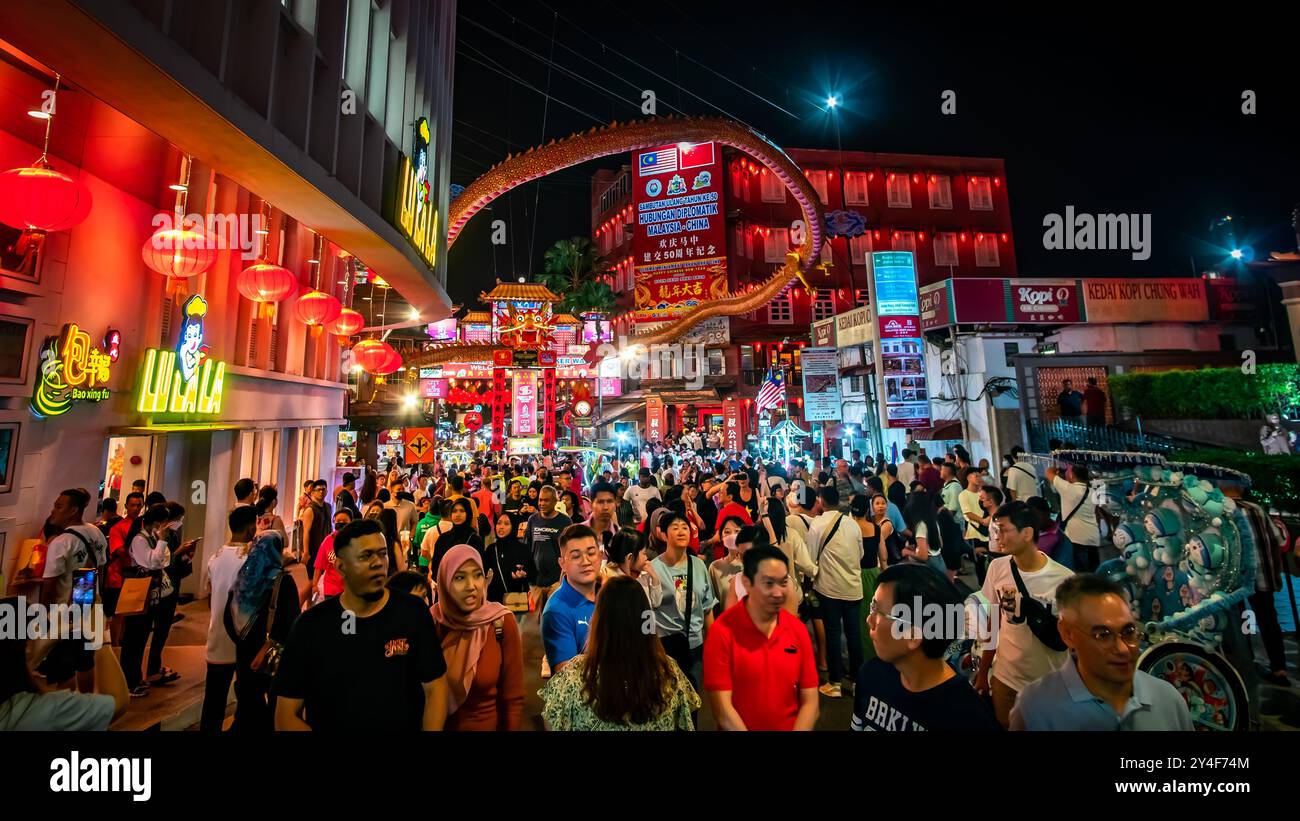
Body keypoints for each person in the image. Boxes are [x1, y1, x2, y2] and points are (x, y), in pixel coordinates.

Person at [274, 519, 450, 730]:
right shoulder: (311, 626)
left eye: (382, 554)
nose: (378, 562)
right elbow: (286, 714)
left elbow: (436, 686)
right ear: (341, 567)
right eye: (366, 556)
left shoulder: (412, 613)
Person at [1012, 574, 1193, 731]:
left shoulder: (1167, 699)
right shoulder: (1035, 709)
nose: (1122, 649)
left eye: (1129, 632)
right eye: (1103, 635)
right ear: (1067, 634)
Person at [853, 564, 1001, 731]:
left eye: (878, 611)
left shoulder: (969, 717)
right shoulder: (871, 675)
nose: (869, 620)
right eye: (872, 606)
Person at [540, 575, 698, 730]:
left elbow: (552, 722)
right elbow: (686, 720)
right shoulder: (669, 672)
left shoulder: (573, 677)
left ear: (599, 621)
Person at [976, 501, 1075, 728]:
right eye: (995, 530)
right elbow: (993, 623)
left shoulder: (1065, 580)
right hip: (1006, 680)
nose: (997, 536)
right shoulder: (997, 568)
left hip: (1050, 685)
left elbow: (1075, 640)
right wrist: (984, 672)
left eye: (1003, 530)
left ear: (1027, 533)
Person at [704, 544, 819, 731]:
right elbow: (722, 711)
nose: (778, 592)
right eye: (768, 583)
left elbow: (810, 702)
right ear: (747, 583)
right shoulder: (722, 632)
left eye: (783, 582)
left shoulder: (796, 630)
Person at [430, 545, 524, 731]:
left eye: (477, 575)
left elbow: (513, 698)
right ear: (445, 581)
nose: (471, 586)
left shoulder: (501, 622)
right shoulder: (432, 623)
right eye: (459, 577)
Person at [222, 530, 300, 732]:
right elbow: (292, 622)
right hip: (271, 655)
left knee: (247, 706)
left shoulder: (242, 579)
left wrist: (242, 642)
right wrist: (270, 644)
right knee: (272, 708)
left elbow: (228, 616)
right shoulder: (282, 581)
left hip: (245, 655)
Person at [1, 609, 129, 730]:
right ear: (25, 646)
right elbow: (118, 703)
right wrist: (100, 638)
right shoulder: (46, 709)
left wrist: (32, 656)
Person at [201, 505, 258, 731]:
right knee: (248, 696)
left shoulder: (215, 557)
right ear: (250, 528)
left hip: (216, 637)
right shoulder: (250, 559)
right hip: (243, 638)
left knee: (214, 699)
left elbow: (209, 595)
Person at [806, 485, 865, 699]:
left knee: (833, 634)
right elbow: (860, 553)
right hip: (853, 587)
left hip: (828, 588)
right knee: (853, 634)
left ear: (821, 501)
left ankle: (835, 682)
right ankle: (859, 681)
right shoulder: (852, 523)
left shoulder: (817, 524)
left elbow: (811, 557)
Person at [651, 511, 716, 690]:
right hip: (664, 649)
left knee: (693, 701)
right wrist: (649, 646)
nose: (681, 532)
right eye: (675, 528)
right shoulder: (653, 569)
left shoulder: (699, 565)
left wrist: (712, 646)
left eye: (685, 527)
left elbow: (707, 608)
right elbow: (646, 613)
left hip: (695, 647)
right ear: (663, 535)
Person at [540, 524, 601, 674]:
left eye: (591, 553)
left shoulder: (610, 595)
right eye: (576, 556)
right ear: (563, 564)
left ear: (599, 556)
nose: (585, 561)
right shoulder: (556, 611)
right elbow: (569, 679)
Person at [1046, 462, 1101, 572]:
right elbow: (1097, 511)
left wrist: (1055, 466)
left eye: (1068, 471)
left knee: (1080, 573)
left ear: (1072, 475)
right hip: (1093, 537)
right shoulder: (1093, 491)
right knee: (1094, 571)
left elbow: (1048, 473)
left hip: (1077, 538)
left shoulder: (1068, 488)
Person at [423, 498, 483, 579]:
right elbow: (436, 566)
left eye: (462, 511)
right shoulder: (443, 538)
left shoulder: (475, 539)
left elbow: (480, 567)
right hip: (447, 585)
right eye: (454, 511)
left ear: (468, 514)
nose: (457, 514)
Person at [600, 529, 662, 608]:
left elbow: (656, 603)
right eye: (644, 553)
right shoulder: (612, 577)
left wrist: (654, 577)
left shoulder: (644, 574)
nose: (646, 557)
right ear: (630, 557)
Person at [485, 513, 534, 606]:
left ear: (513, 527)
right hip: (495, 601)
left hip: (517, 601)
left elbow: (533, 573)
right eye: (499, 523)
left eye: (506, 524)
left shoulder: (522, 549)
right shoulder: (491, 549)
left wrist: (524, 574)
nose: (501, 527)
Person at [707, 516, 749, 615]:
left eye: (737, 531)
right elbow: (713, 603)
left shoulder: (754, 562)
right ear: (721, 537)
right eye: (727, 532)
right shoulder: (715, 567)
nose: (732, 535)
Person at [311, 507, 353, 603]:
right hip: (331, 589)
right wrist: (314, 585)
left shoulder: (355, 541)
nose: (341, 523)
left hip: (350, 589)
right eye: (338, 521)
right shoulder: (328, 540)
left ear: (351, 522)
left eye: (344, 521)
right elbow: (319, 565)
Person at [902, 491, 948, 578]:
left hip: (930, 568)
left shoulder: (921, 526)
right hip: (940, 563)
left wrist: (907, 552)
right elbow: (940, 544)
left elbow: (923, 556)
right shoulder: (933, 521)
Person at [298, 479, 331, 573]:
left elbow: (329, 527)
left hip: (325, 549)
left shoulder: (328, 507)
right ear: (313, 492)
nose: (321, 492)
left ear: (327, 491)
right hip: (313, 550)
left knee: (322, 577)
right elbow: (306, 531)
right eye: (318, 489)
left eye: (323, 489)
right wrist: (306, 552)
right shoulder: (310, 509)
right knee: (313, 579)